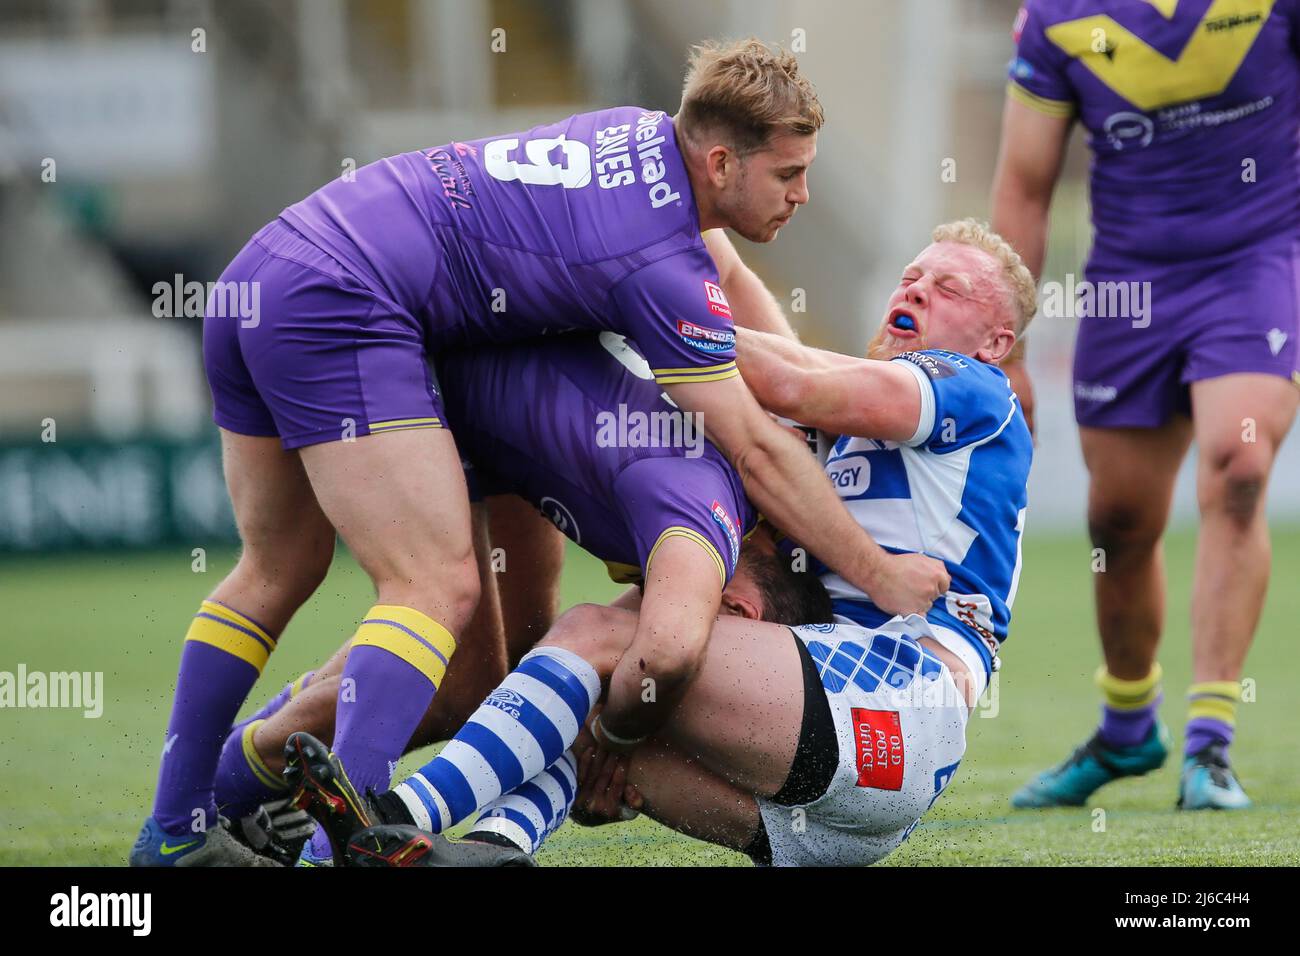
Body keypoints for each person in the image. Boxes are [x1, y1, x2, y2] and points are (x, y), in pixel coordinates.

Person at [130, 38, 950, 866]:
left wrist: (804, 397)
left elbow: (727, 277)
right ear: (721, 162)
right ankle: (339, 853)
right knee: (432, 587)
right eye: (788, 174)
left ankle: (179, 827)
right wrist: (881, 574)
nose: (804, 194)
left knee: (289, 575)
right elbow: (757, 457)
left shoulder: (641, 140)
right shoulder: (662, 282)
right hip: (350, 301)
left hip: (270, 269)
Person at [287, 220, 1035, 867]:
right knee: (583, 710)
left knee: (596, 635)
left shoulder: (975, 386)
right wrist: (673, 197)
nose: (915, 289)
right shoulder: (853, 432)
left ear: (997, 340)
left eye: (949, 288)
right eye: (911, 275)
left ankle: (394, 820)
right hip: (839, 801)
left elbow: (790, 380)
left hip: (895, 702)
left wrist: (643, 307)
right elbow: (767, 326)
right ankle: (492, 850)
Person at [211, 331, 833, 863]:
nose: (799, 193)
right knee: (480, 653)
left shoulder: (785, 451)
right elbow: (782, 343)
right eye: (923, 277)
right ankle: (243, 790)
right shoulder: (804, 423)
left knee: (538, 670)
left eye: (936, 283)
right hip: (450, 380)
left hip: (491, 400)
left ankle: (477, 846)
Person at [992, 0, 1300, 811]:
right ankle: (1128, 726)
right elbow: (1024, 188)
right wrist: (1007, 347)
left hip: (1260, 263)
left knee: (1239, 467)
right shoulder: (1056, 18)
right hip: (1130, 289)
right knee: (1118, 524)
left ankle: (1212, 745)